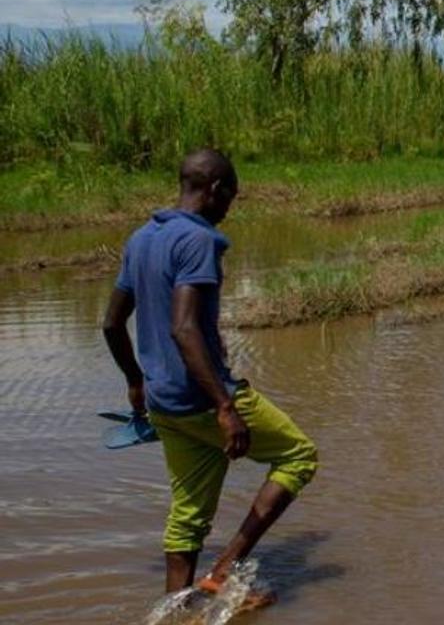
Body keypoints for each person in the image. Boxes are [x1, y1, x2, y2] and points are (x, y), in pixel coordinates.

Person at [102, 149, 318, 604]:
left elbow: (111, 323)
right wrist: (225, 406)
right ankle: (225, 570)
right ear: (216, 190)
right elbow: (183, 327)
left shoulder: (142, 238)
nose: (228, 210)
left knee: (188, 515)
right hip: (201, 399)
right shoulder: (199, 239)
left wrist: (136, 381)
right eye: (231, 198)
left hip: (164, 404)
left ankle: (175, 609)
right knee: (299, 455)